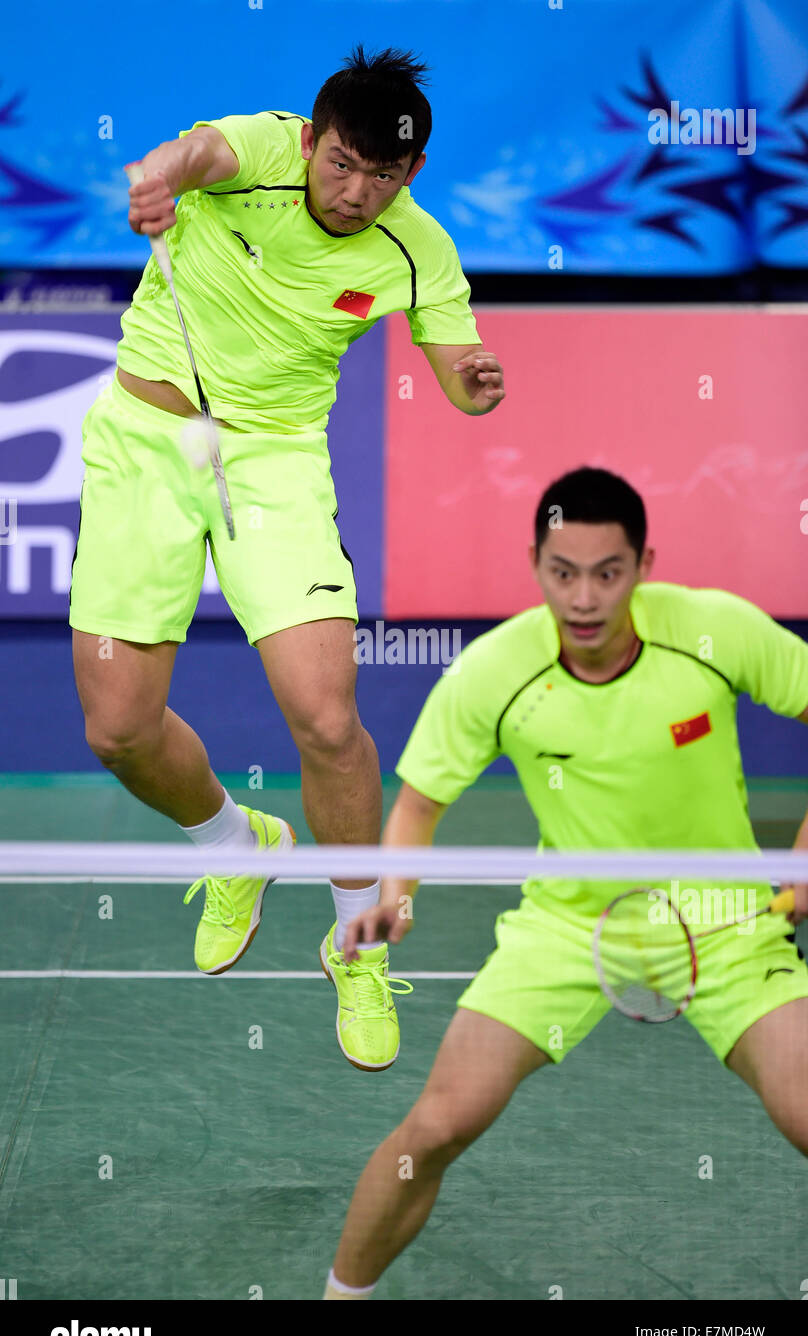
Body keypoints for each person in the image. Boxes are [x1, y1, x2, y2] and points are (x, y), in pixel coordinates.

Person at [68, 46, 505, 1072]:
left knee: (325, 715)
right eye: (342, 164)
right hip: (148, 436)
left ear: (415, 172)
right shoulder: (262, 149)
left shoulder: (416, 249)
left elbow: (457, 371)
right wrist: (154, 181)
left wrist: (475, 378)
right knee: (118, 728)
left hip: (271, 461)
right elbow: (192, 155)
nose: (356, 194)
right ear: (309, 142)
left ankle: (356, 941)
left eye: (383, 177)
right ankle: (234, 848)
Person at [322, 465, 808, 1299]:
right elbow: (416, 805)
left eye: (606, 572)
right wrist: (395, 896)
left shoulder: (710, 631)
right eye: (562, 572)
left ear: (642, 564)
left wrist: (805, 855)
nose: (583, 597)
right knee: (437, 1126)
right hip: (568, 923)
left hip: (725, 919)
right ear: (534, 563)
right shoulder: (495, 669)